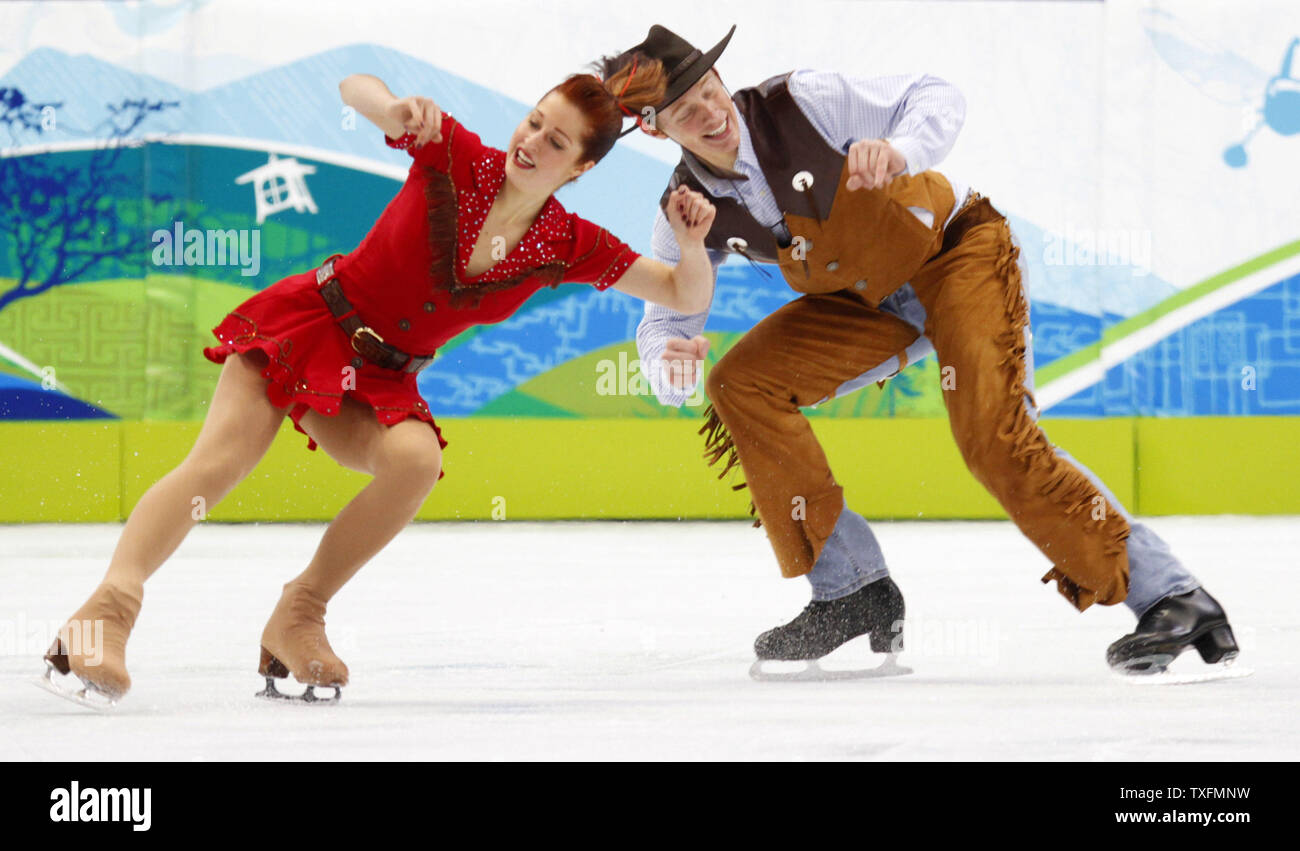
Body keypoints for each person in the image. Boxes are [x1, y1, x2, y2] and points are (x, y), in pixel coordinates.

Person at [40, 64, 717, 705]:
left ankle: (298, 614)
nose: (533, 141)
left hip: (379, 378)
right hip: (309, 323)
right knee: (217, 465)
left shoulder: (566, 243)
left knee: (417, 460)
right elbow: (352, 85)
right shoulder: (457, 157)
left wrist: (690, 246)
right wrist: (392, 106)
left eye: (557, 139)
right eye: (535, 121)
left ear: (582, 166)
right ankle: (104, 616)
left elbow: (680, 290)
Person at [601, 24, 1240, 678]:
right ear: (657, 129)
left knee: (994, 437)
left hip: (956, 256)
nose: (711, 112)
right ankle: (850, 590)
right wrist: (669, 367)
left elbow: (936, 95)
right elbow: (667, 319)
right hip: (866, 303)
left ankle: (1172, 594)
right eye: (686, 110)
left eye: (710, 90)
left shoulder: (802, 101)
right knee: (739, 383)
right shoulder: (685, 207)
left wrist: (900, 149)